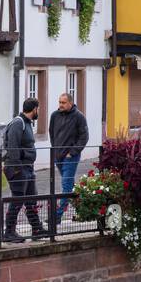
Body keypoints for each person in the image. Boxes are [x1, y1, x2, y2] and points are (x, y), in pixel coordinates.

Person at [2, 98, 45, 243]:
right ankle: (8, 232)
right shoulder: (18, 123)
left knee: (31, 198)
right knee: (17, 200)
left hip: (27, 168)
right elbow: (13, 147)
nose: (38, 111)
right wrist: (17, 169)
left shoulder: (27, 123)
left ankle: (36, 228)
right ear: (34, 109)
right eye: (38, 109)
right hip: (18, 169)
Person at [49, 92, 89, 226]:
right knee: (70, 186)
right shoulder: (54, 115)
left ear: (70, 103)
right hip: (58, 156)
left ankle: (57, 216)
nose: (60, 105)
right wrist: (55, 149)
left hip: (70, 157)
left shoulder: (79, 117)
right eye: (59, 102)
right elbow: (51, 133)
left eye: (63, 102)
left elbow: (84, 137)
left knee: (66, 185)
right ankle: (84, 211)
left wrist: (72, 152)